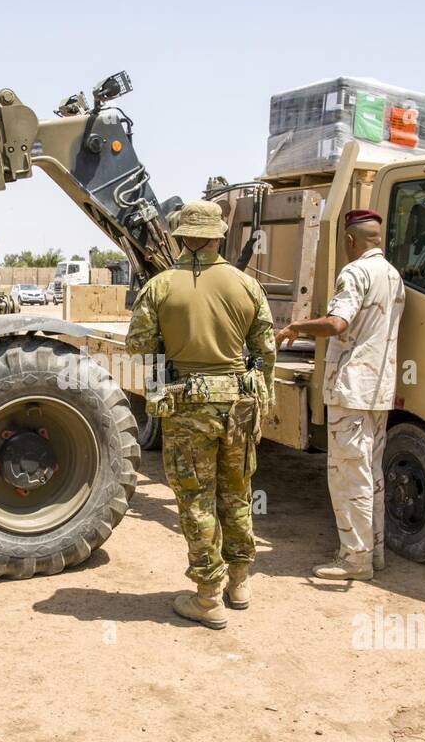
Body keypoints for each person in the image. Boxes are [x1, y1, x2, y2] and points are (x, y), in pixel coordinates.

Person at [126, 200, 275, 629]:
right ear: (218, 235)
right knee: (237, 493)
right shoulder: (247, 285)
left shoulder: (160, 287)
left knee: (196, 501)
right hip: (240, 407)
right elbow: (265, 351)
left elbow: (138, 347)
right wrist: (257, 392)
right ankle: (240, 582)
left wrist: (168, 359)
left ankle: (208, 597)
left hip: (188, 407)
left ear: (181, 237)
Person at [276, 208, 405, 580]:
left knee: (349, 475)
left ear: (350, 240)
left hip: (351, 390)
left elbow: (337, 323)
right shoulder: (393, 275)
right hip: (378, 391)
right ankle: (373, 552)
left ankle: (354, 560)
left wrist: (296, 325)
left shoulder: (355, 272)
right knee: (370, 473)